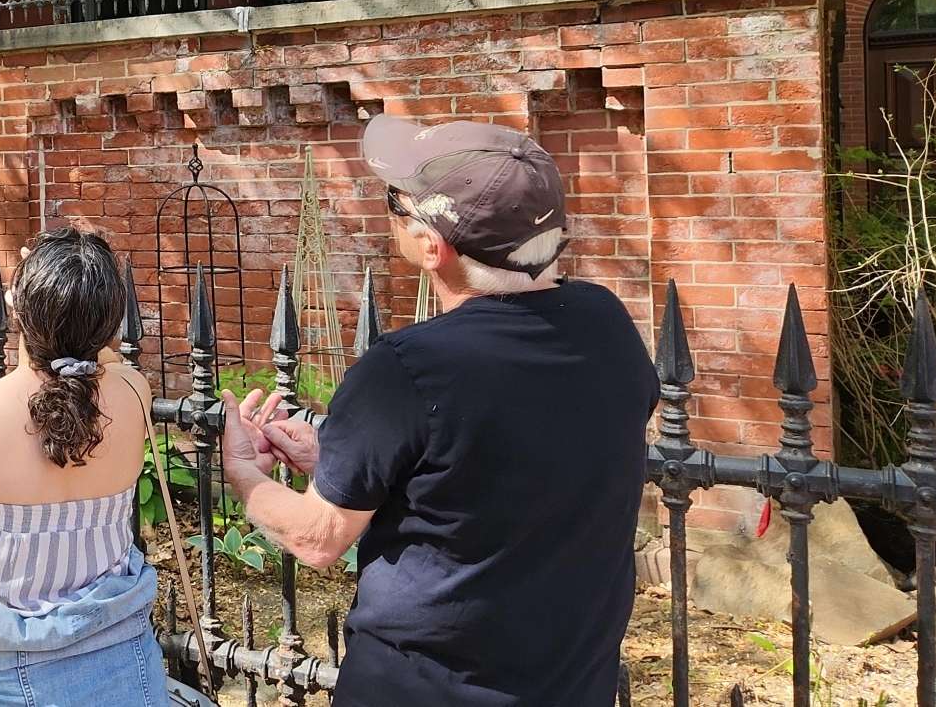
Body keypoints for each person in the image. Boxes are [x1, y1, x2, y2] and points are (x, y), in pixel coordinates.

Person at [219, 116, 660, 706]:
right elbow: (500, 464)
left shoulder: (406, 368)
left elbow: (317, 540)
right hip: (570, 682)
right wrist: (344, 463)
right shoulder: (605, 325)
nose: (390, 216)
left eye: (395, 204)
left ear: (433, 245)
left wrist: (243, 472)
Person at [0, 228, 168, 707]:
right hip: (121, 664)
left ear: (16, 312)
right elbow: (99, 356)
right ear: (112, 322)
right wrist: (69, 296)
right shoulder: (133, 395)